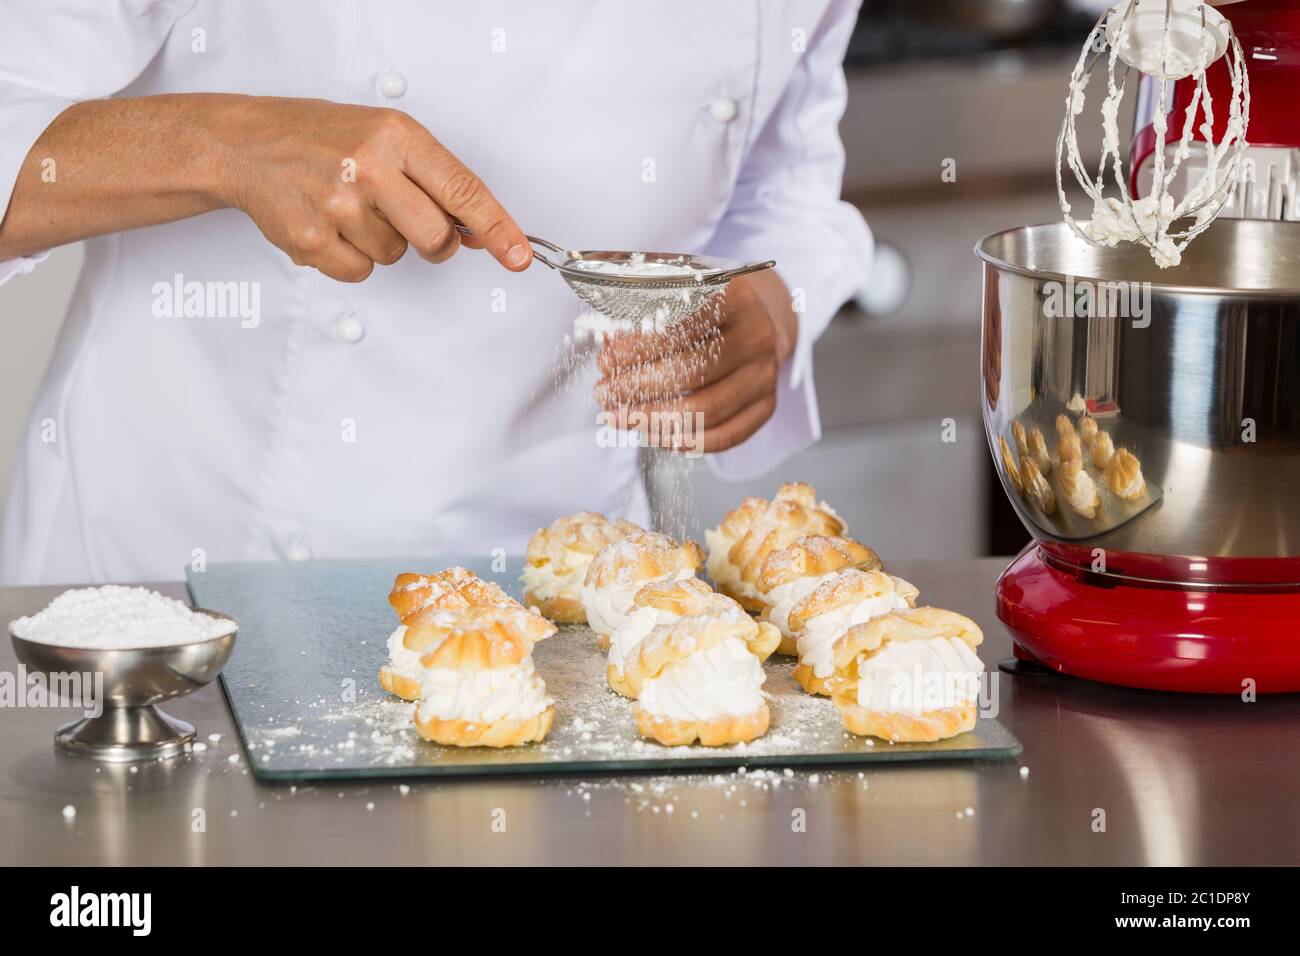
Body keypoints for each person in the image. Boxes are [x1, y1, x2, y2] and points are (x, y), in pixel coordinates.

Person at [0, 0, 871, 585]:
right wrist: (225, 143)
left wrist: (770, 306)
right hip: (186, 583)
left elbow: (785, 188)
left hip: (574, 601)